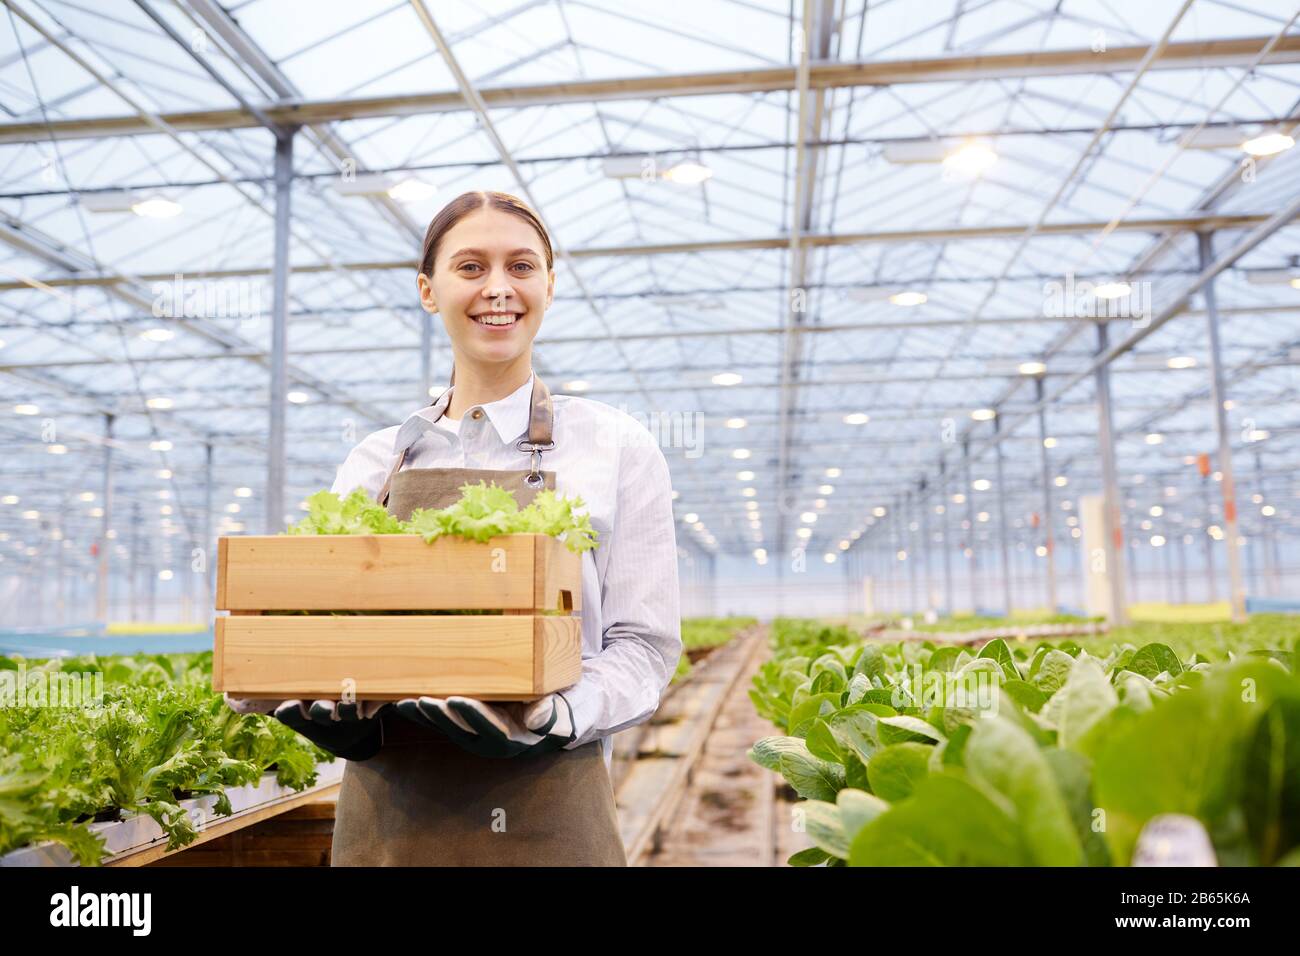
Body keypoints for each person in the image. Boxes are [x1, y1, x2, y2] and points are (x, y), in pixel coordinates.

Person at [226, 190, 681, 866]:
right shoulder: (376, 462)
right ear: (427, 290)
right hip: (388, 824)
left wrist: (556, 712)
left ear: (550, 286)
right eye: (470, 267)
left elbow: (644, 647)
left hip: (551, 818)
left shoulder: (614, 446)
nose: (499, 288)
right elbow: (317, 623)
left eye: (521, 266)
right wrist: (324, 692)